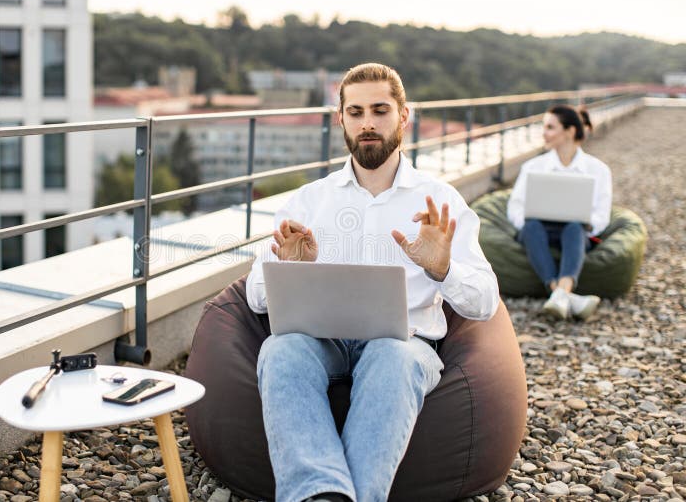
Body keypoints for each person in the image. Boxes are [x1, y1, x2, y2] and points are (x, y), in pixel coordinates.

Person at [245, 63, 499, 502]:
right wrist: (288, 269)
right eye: (356, 111)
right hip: (323, 340)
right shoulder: (310, 199)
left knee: (391, 356)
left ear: (403, 117)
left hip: (404, 342)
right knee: (279, 350)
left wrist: (442, 269)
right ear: (339, 118)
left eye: (380, 110)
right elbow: (254, 296)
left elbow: (486, 303)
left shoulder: (440, 201)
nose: (367, 123)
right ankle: (321, 492)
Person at [507, 105, 612, 319]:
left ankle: (558, 293)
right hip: (538, 231)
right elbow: (515, 207)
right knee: (531, 226)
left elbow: (602, 214)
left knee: (575, 227)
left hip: (577, 234)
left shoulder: (598, 170)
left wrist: (588, 223)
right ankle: (566, 296)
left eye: (550, 127)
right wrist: (525, 219)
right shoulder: (533, 167)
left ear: (570, 131)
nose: (543, 133)